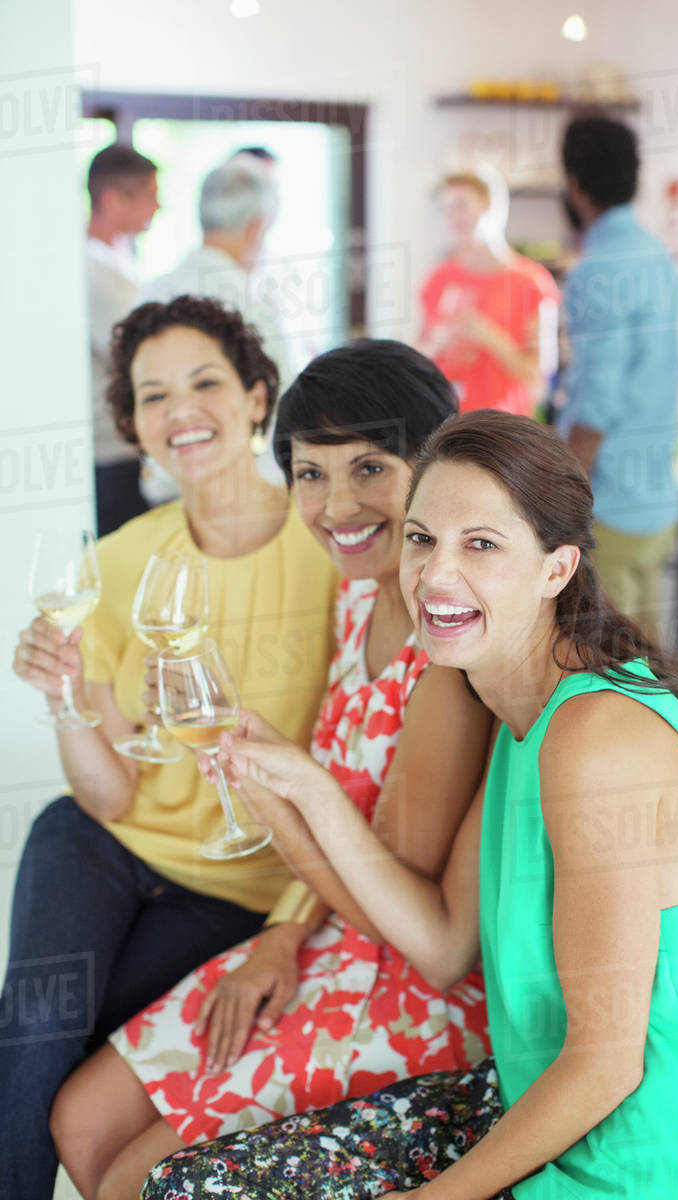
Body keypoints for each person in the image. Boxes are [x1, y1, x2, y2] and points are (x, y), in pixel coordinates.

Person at [144, 409, 678, 1199]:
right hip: (547, 1108)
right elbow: (442, 944)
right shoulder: (520, 716)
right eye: (422, 539)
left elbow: (607, 1063)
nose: (436, 575)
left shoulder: (593, 738)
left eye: (480, 544)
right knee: (185, 1181)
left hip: (650, 1161)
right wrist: (288, 780)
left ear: (556, 570)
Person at [48, 340, 493, 1200]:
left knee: (137, 1180)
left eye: (369, 466)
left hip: (398, 984)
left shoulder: (446, 665)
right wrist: (285, 934)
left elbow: (407, 910)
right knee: (79, 1118)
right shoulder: (358, 592)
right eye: (311, 474)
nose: (336, 504)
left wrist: (278, 797)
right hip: (323, 935)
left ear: (434, 460)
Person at [5, 295, 339, 1200]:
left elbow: (354, 777)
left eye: (205, 382)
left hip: (242, 885)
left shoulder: (331, 556)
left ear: (258, 396)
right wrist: (68, 698)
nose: (179, 410)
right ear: (134, 425)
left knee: (72, 1045)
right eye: (153, 396)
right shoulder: (120, 561)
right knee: (32, 1030)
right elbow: (111, 796)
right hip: (103, 844)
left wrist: (287, 931)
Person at [558, 116, 678, 640]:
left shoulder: (598, 268)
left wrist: (560, 497)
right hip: (658, 503)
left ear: (575, 184)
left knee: (605, 677)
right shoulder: (658, 256)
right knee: (654, 674)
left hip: (609, 507)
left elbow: (597, 401)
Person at [139, 159, 290, 495]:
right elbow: (282, 405)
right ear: (257, 226)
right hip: (240, 493)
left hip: (164, 483)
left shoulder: (150, 292)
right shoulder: (250, 306)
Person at [419, 167, 559, 417]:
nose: (453, 217)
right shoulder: (438, 279)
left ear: (490, 205)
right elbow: (417, 354)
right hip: (444, 423)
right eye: (446, 209)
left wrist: (490, 337)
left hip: (501, 431)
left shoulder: (532, 283)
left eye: (461, 205)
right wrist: (435, 343)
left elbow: (539, 378)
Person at [87, 143, 160, 535]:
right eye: (150, 194)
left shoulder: (115, 262)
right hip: (111, 454)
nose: (158, 206)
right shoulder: (93, 272)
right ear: (113, 200)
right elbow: (132, 354)